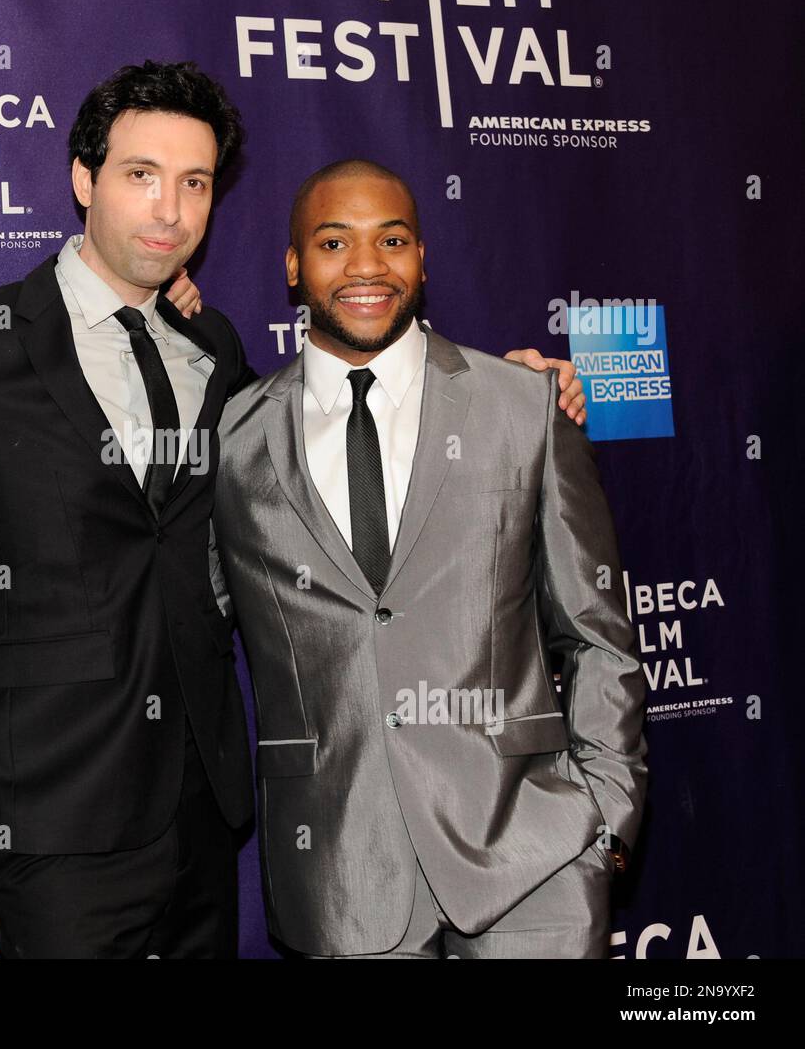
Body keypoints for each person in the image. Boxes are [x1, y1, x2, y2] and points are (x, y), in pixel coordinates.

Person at [0, 66, 586, 958]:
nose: (169, 209)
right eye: (140, 175)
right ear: (83, 180)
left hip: (207, 813)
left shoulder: (216, 348)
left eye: (194, 183)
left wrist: (515, 389)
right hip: (50, 821)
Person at [211, 159, 648, 958]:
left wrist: (608, 819)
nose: (367, 266)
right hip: (341, 874)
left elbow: (597, 632)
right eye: (334, 241)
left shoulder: (522, 405)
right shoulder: (236, 441)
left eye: (394, 239)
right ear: (293, 266)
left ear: (423, 256)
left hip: (533, 862)